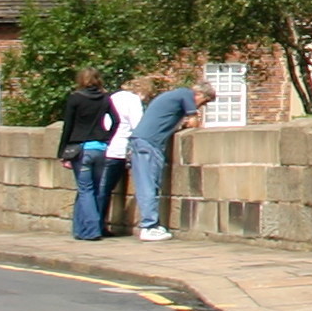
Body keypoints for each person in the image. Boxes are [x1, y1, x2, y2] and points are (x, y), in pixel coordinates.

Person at [124, 78, 210, 241]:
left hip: (142, 142)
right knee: (148, 185)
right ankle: (149, 227)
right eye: (204, 101)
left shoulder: (174, 95)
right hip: (148, 143)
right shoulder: (186, 94)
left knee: (149, 184)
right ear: (198, 93)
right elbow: (194, 122)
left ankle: (151, 225)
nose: (201, 106)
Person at [57, 70, 120, 241]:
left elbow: (68, 126)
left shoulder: (75, 98)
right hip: (100, 149)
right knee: (92, 189)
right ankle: (80, 229)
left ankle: (92, 230)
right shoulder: (105, 98)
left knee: (85, 190)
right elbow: (116, 121)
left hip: (81, 149)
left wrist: (63, 153)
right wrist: (107, 137)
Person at [103, 76, 144, 233]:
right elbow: (137, 125)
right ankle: (101, 226)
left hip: (105, 146)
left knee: (102, 190)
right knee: (106, 189)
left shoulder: (112, 97)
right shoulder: (133, 100)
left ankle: (97, 224)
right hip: (119, 149)